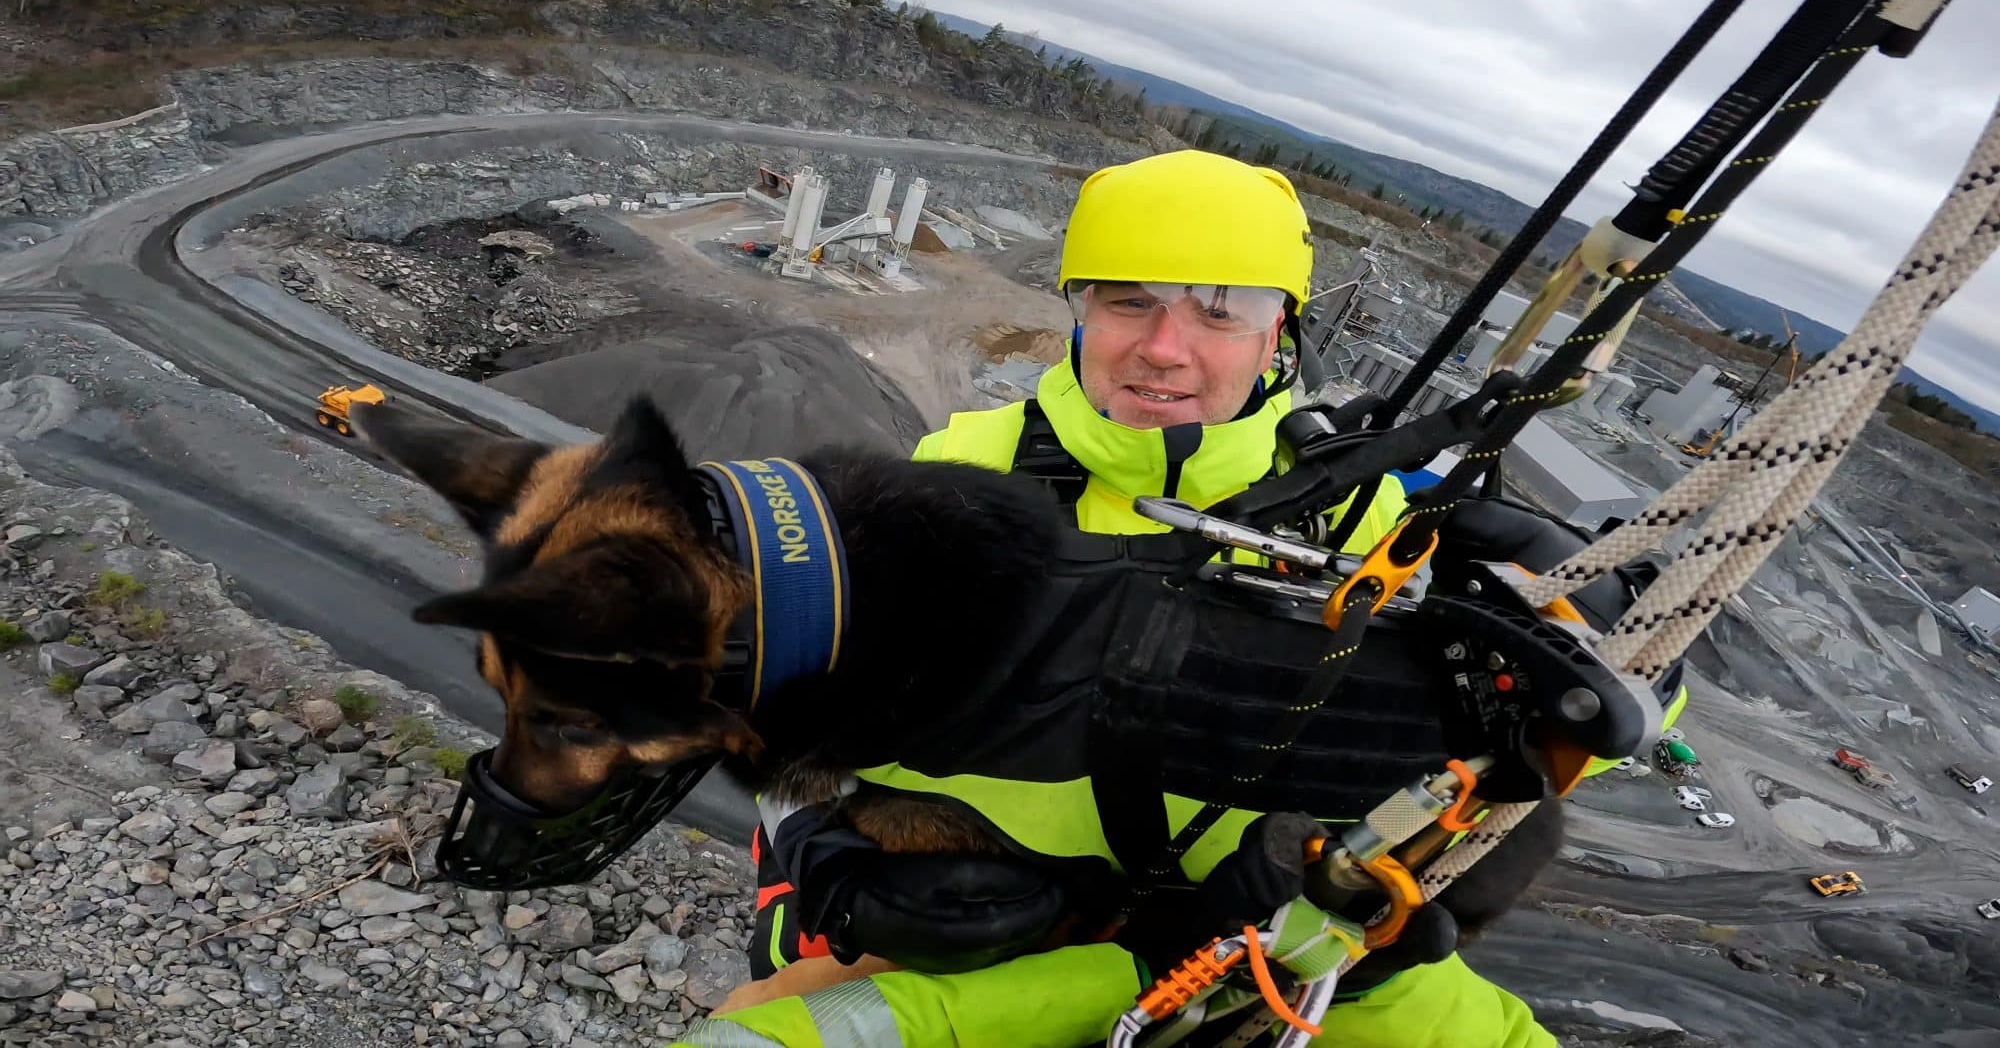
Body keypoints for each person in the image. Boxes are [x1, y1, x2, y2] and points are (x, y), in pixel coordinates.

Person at [677, 150, 1684, 1047]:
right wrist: (817, 853)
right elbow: (782, 706)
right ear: (1079, 308)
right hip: (981, 936)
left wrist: (1609, 641)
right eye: (1129, 301)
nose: (1164, 347)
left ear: (1277, 330)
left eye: (1218, 311)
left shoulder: (1368, 520)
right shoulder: (962, 473)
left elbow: (1570, 723)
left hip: (1254, 936)